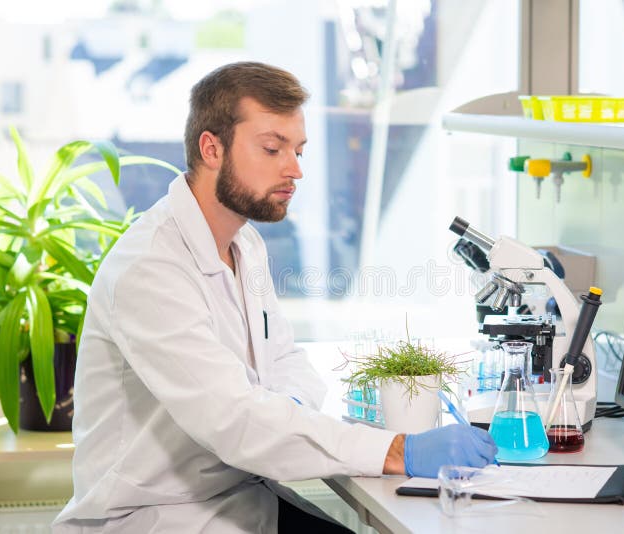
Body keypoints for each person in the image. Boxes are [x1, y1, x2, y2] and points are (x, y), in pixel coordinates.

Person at [52, 62, 497, 533]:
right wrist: (399, 450)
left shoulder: (245, 244)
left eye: (298, 151)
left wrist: (285, 413)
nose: (295, 170)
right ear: (211, 149)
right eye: (272, 149)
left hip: (239, 497)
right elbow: (234, 420)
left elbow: (284, 358)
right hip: (155, 516)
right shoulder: (151, 269)